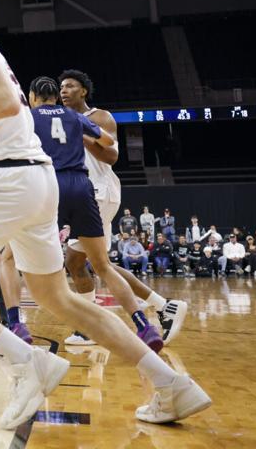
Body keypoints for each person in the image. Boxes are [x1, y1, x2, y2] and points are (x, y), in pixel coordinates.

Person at [0, 0, 210, 429]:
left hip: (8, 181)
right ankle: (171, 384)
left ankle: (27, 362)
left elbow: (2, 101)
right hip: (37, 182)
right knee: (58, 297)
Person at [27, 77, 163, 353]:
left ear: (33, 96)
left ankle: (16, 320)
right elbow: (109, 141)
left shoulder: (29, 117)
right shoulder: (75, 117)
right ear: (56, 95)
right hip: (82, 185)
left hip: (51, 186)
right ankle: (142, 324)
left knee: (16, 257)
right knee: (101, 265)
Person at [58, 70, 188, 346]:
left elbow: (112, 156)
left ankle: (91, 326)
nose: (64, 90)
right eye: (61, 87)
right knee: (90, 263)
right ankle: (163, 306)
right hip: (84, 192)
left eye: (70, 86)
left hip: (99, 192)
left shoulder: (99, 117)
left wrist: (81, 133)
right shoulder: (62, 120)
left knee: (83, 262)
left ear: (84, 91)